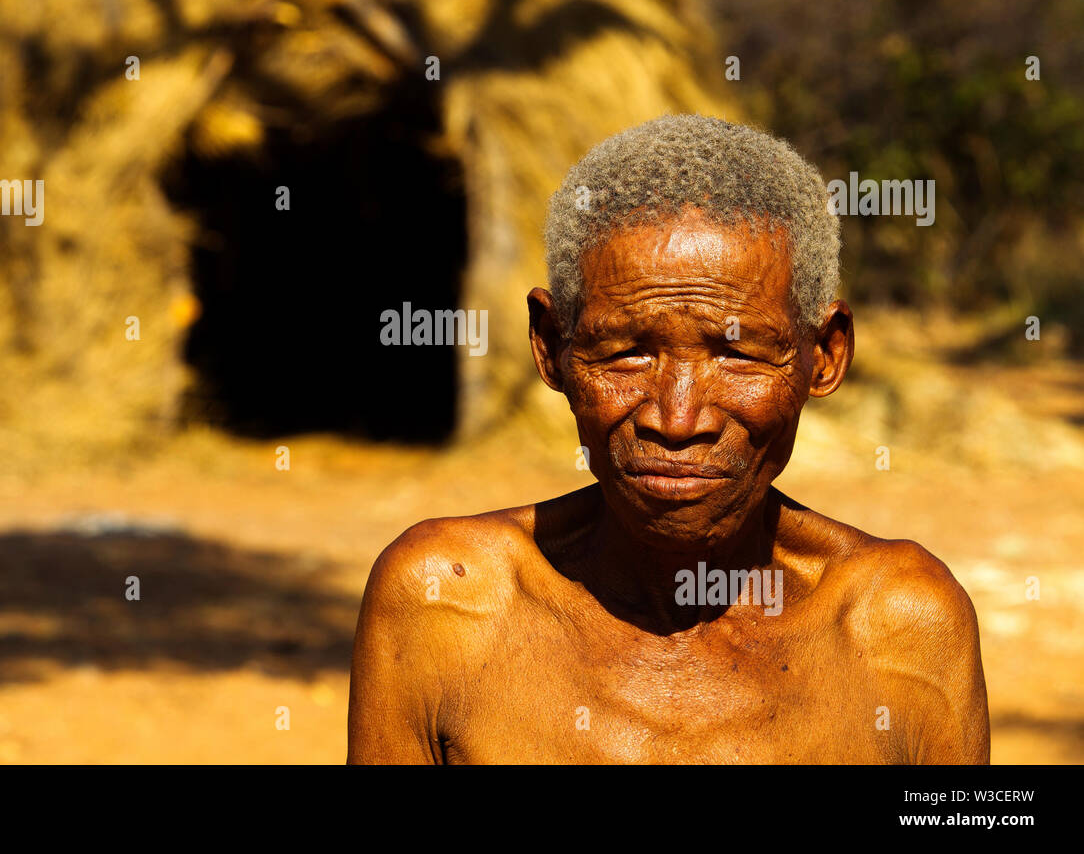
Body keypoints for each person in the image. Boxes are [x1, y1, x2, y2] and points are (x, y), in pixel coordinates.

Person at [347, 115, 989, 764]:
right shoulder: (445, 602)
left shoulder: (901, 627)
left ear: (822, 356)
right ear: (552, 349)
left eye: (737, 356)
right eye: (626, 353)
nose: (678, 420)